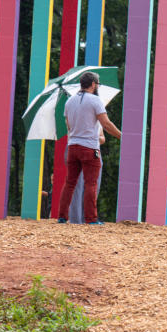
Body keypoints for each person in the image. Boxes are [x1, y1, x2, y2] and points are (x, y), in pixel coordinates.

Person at [56, 72, 122, 224]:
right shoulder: (96, 100)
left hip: (72, 146)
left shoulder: (69, 101)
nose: (97, 86)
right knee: (90, 183)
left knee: (70, 183)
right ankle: (91, 219)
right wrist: (122, 136)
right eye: (97, 84)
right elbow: (106, 124)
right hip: (90, 148)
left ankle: (62, 216)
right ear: (93, 84)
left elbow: (69, 126)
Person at [67, 131, 105, 224]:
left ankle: (88, 218)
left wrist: (97, 139)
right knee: (78, 188)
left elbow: (102, 138)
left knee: (93, 186)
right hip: (80, 151)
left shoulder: (98, 121)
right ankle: (76, 220)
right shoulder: (75, 118)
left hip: (94, 151)